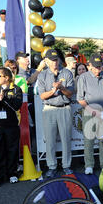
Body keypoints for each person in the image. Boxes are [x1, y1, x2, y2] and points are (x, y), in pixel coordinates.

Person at [36, 49, 74, 177]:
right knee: (50, 140)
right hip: (49, 109)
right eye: (52, 60)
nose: (54, 62)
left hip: (64, 108)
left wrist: (61, 87)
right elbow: (42, 96)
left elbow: (70, 93)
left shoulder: (67, 73)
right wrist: (54, 90)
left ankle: (66, 165)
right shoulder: (42, 75)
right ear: (46, 61)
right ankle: (51, 166)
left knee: (66, 139)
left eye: (56, 59)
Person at [77, 54, 103, 174]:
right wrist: (90, 109)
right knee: (89, 140)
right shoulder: (83, 78)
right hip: (89, 111)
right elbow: (80, 99)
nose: (99, 69)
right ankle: (89, 165)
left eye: (100, 66)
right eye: (96, 67)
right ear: (90, 66)